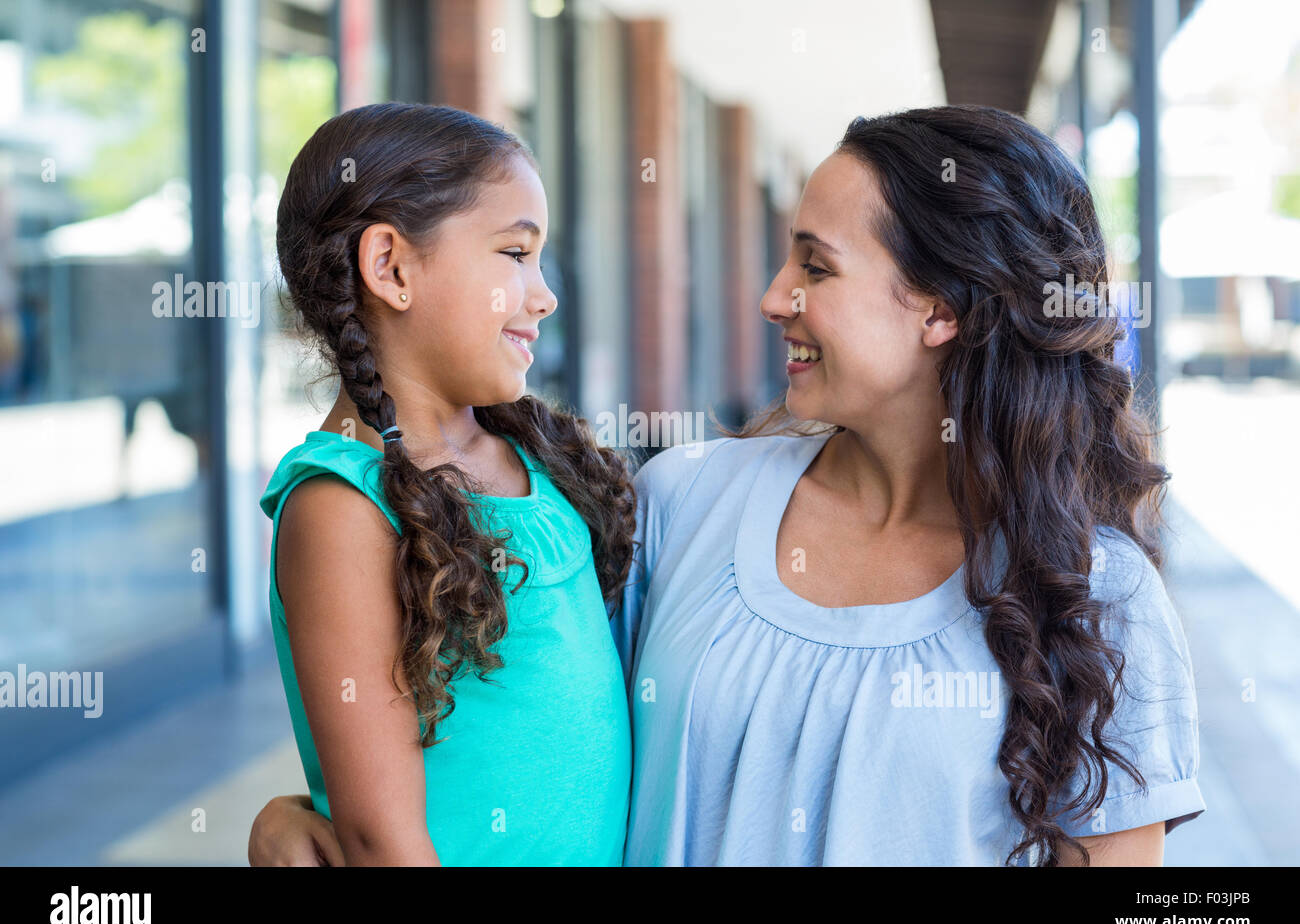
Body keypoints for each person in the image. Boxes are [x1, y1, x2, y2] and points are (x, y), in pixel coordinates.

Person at [251, 105, 1205, 867]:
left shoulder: (1099, 595)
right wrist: (300, 811)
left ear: (941, 309)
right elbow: (520, 713)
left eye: (816, 266)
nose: (770, 295)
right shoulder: (685, 503)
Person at [255, 102, 635, 865]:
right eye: (515, 254)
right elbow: (379, 838)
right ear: (391, 267)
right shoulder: (342, 505)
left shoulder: (535, 454)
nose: (543, 294)